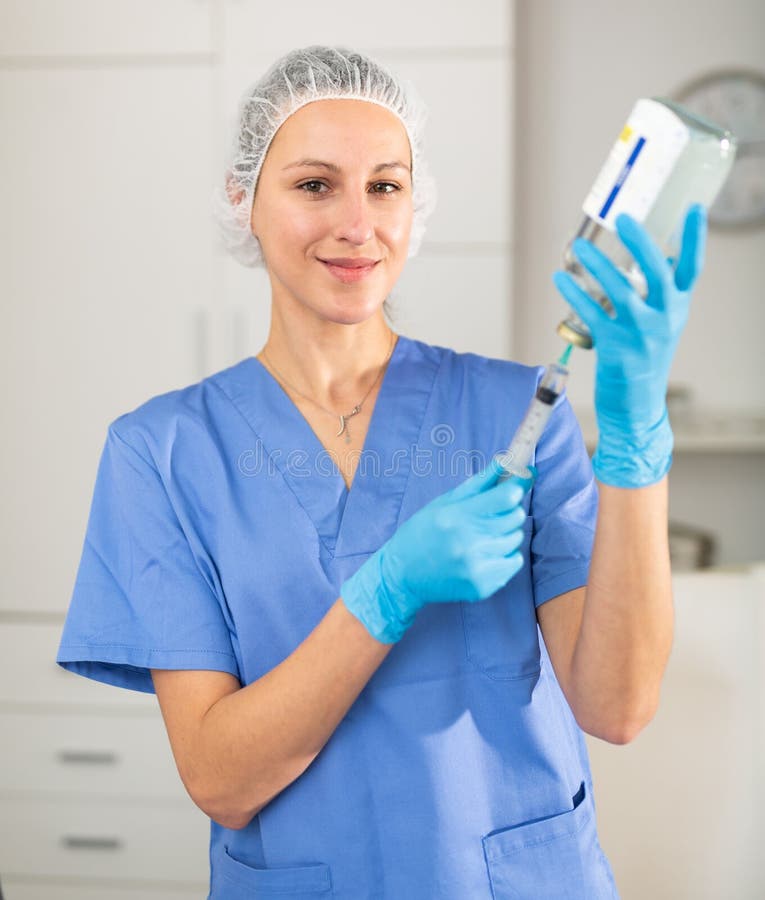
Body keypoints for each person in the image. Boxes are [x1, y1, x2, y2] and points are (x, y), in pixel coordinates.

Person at [57, 45, 706, 899]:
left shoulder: (523, 415)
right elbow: (219, 778)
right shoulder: (164, 453)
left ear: (416, 203)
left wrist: (633, 438)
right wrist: (386, 591)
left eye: (385, 185)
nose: (357, 223)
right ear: (242, 199)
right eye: (314, 184)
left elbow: (617, 707)